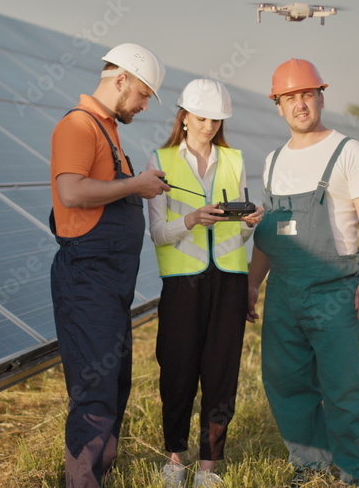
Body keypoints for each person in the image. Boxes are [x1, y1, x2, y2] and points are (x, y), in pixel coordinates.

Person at [246, 59, 359, 488]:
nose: (300, 104)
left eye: (307, 94)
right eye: (290, 98)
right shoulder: (272, 162)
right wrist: (252, 284)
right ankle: (309, 465)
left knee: (343, 387)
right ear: (278, 106)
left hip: (333, 289)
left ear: (321, 97)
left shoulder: (348, 152)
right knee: (285, 381)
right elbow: (271, 235)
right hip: (284, 291)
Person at [49, 42, 172, 487]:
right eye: (142, 95)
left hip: (111, 284)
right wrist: (135, 184)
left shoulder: (107, 131)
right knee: (94, 395)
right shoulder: (79, 126)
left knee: (115, 385)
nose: (142, 105)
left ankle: (100, 475)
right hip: (87, 281)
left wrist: (137, 185)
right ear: (120, 80)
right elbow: (72, 193)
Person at [145, 79, 264, 487]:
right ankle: (175, 460)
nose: (209, 126)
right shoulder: (160, 160)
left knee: (221, 372)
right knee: (176, 371)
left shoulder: (234, 160)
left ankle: (209, 468)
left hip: (228, 281)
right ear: (183, 116)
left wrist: (248, 224)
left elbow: (238, 236)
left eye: (216, 119)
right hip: (182, 284)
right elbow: (158, 233)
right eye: (201, 117)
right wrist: (191, 220)